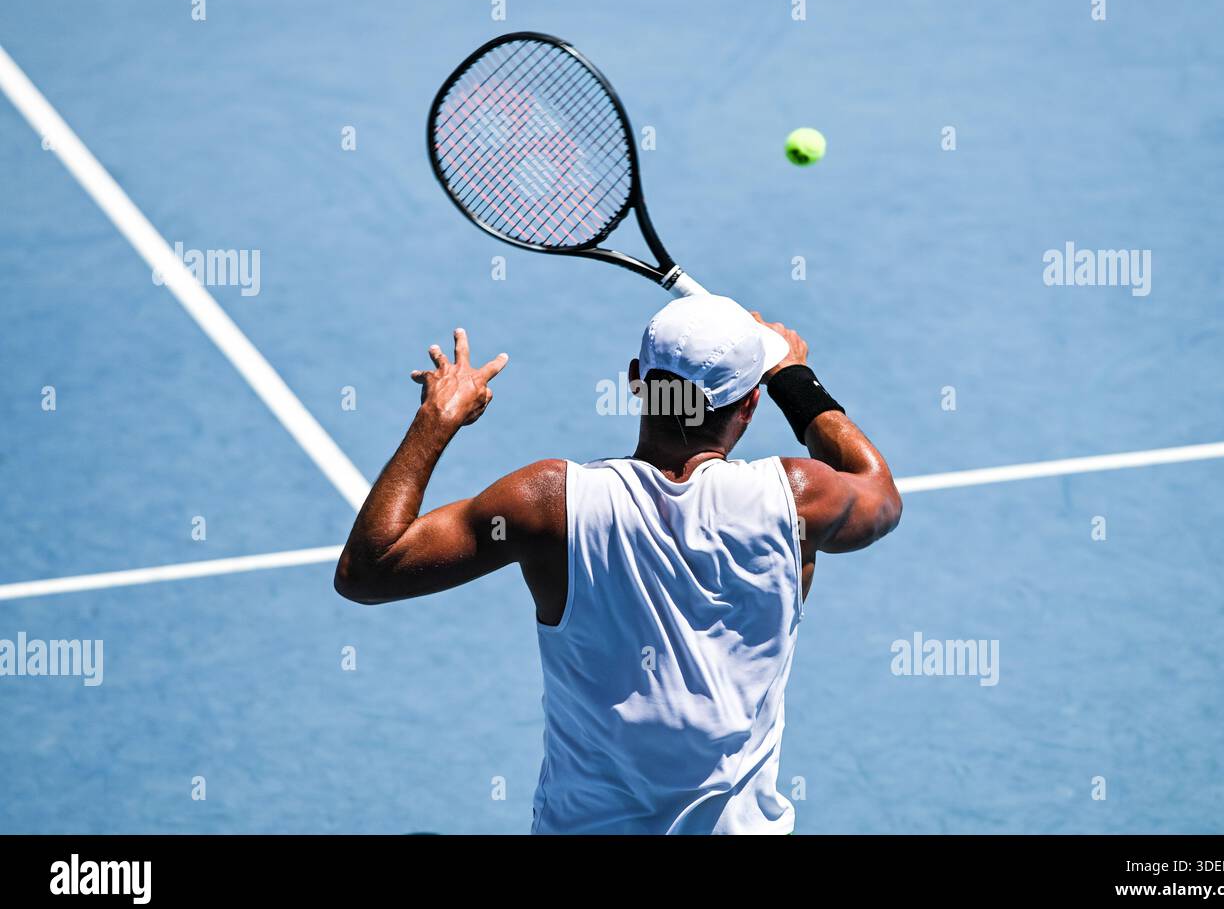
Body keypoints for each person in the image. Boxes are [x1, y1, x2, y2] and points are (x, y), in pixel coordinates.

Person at [334, 294, 902, 833]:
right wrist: (792, 378)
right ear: (751, 404)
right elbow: (880, 496)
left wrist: (438, 419)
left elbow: (369, 570)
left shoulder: (547, 502)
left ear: (636, 380)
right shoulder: (800, 498)